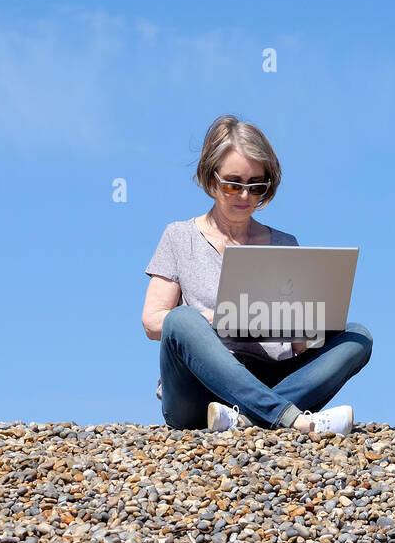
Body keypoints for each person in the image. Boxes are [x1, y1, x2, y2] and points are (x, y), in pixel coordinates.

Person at [141, 114, 373, 433]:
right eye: (233, 184)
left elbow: (297, 347)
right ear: (211, 179)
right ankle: (290, 418)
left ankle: (248, 418)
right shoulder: (179, 237)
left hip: (271, 376)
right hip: (198, 393)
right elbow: (153, 322)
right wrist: (221, 318)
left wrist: (308, 332)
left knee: (357, 337)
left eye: (256, 186)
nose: (245, 196)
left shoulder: (284, 244)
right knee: (180, 320)